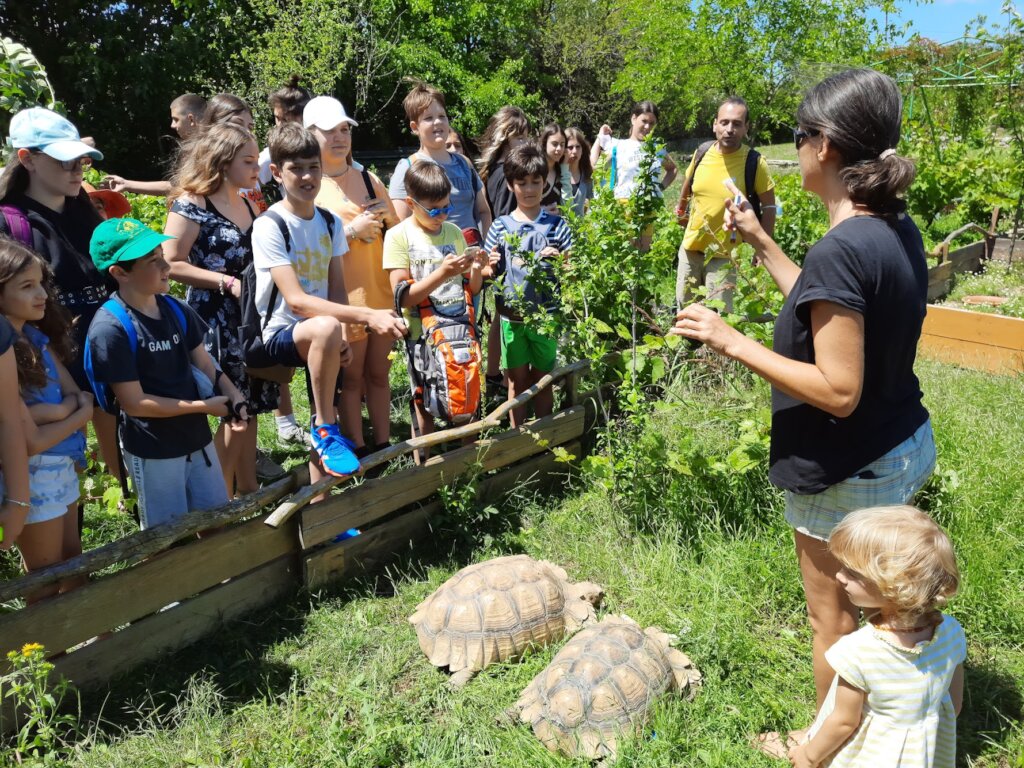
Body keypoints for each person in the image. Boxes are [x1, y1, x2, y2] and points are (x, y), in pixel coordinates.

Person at [672, 68, 937, 726]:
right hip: (898, 444)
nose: (794, 149)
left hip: (847, 470)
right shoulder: (891, 229)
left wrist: (731, 341)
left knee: (834, 622)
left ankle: (831, 745)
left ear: (829, 149)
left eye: (800, 136)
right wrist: (763, 245)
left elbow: (838, 389)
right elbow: (833, 309)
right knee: (895, 610)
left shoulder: (842, 249)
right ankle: (913, 712)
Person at [251, 123, 406, 481]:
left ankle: (321, 511)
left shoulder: (329, 222)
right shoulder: (270, 224)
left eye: (313, 167)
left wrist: (345, 335)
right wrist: (364, 316)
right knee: (321, 331)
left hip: (323, 332)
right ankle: (325, 427)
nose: (307, 176)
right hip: (283, 332)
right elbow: (298, 301)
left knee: (327, 439)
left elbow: (336, 288)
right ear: (275, 173)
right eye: (296, 169)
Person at [86, 217, 249, 529]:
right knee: (164, 538)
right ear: (120, 273)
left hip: (197, 440)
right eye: (153, 261)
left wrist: (233, 395)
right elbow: (134, 404)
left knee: (215, 522)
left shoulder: (174, 307)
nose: (166, 266)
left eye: (162, 255)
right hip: (154, 451)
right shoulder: (110, 329)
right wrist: (205, 407)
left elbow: (204, 363)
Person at [786, 505, 965, 768]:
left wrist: (808, 756)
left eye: (852, 573)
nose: (839, 576)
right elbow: (953, 704)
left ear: (894, 586)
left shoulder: (859, 650)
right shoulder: (951, 632)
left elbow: (844, 721)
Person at [0, 108, 121, 485]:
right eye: (63, 160)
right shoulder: (9, 222)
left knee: (122, 461)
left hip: (103, 351)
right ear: (27, 159)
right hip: (48, 362)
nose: (76, 169)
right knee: (63, 470)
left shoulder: (85, 211)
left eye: (80, 160)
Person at [163, 123, 279, 496]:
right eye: (248, 160)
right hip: (214, 319)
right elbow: (170, 262)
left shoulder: (248, 201)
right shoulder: (192, 203)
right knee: (232, 409)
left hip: (250, 317)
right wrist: (223, 282)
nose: (255, 168)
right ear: (222, 161)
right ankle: (214, 502)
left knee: (252, 407)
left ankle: (247, 492)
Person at [305, 96, 400, 457]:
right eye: (330, 131)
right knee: (352, 378)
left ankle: (384, 444)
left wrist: (384, 220)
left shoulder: (367, 177)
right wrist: (350, 230)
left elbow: (398, 229)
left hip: (380, 293)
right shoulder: (309, 183)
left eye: (344, 129)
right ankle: (358, 448)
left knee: (379, 374)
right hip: (344, 300)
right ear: (311, 135)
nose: (339, 137)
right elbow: (306, 244)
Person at [0, 238, 92, 601]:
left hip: (61, 466)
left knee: (72, 561)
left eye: (41, 283)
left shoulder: (36, 338)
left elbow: (80, 396)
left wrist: (53, 414)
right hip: (32, 476)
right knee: (45, 580)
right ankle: (52, 655)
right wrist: (73, 411)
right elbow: (30, 440)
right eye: (26, 286)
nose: (41, 294)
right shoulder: (7, 350)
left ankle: (94, 642)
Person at [384, 161, 487, 452]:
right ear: (410, 203)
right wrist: (442, 272)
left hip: (459, 326)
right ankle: (425, 463)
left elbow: (472, 288)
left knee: (465, 389)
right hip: (421, 333)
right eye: (434, 210)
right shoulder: (398, 236)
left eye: (446, 206)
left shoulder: (453, 232)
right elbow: (402, 297)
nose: (441, 215)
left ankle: (469, 460)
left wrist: (477, 269)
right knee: (424, 397)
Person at [484, 144, 572, 427]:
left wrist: (560, 262)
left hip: (546, 318)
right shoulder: (500, 226)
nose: (530, 189)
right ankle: (517, 438)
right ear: (511, 185)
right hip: (512, 320)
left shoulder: (558, 226)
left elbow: (573, 269)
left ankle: (544, 438)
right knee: (516, 381)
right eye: (522, 183)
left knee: (543, 380)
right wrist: (490, 263)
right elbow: (487, 271)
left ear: (545, 183)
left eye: (536, 181)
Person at [674, 97, 777, 312]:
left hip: (725, 252)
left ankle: (715, 347)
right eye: (725, 122)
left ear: (746, 128)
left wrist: (763, 247)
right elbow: (688, 184)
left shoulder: (754, 162)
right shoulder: (702, 152)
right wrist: (681, 210)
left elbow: (768, 207)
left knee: (719, 311)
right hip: (692, 245)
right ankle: (688, 345)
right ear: (715, 125)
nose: (730, 129)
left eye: (737, 124)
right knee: (686, 306)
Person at [476, 106, 532, 395]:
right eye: (518, 137)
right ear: (505, 136)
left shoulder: (499, 167)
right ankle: (500, 376)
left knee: (502, 316)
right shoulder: (501, 172)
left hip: (505, 252)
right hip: (507, 254)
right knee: (505, 317)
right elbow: (500, 214)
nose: (524, 143)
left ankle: (496, 375)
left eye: (525, 137)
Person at [388, 83, 492, 235]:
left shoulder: (464, 163)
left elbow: (484, 211)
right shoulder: (408, 167)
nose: (437, 122)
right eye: (429, 118)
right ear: (415, 127)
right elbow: (399, 224)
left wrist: (486, 248)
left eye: (442, 116)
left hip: (472, 253)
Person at [591, 101, 677, 250]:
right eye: (644, 121)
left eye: (652, 123)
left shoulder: (656, 148)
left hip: (648, 207)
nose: (647, 127)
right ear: (633, 119)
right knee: (625, 254)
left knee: (642, 255)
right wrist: (599, 139)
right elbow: (595, 167)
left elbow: (673, 169)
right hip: (623, 205)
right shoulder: (618, 145)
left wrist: (659, 188)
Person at [100, 94, 207, 197]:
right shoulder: (205, 146)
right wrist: (126, 184)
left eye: (176, 119)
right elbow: (176, 187)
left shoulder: (208, 151)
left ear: (191, 119)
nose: (172, 125)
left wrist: (127, 185)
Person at [257, 76, 312, 198]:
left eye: (286, 120)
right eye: (277, 118)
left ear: (304, 117)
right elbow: (247, 183)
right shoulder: (271, 156)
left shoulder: (324, 144)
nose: (280, 126)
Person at [539, 123, 572, 214]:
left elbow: (568, 205)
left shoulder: (561, 171)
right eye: (554, 144)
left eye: (562, 145)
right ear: (545, 143)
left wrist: (565, 165)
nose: (559, 149)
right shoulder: (535, 169)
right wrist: (542, 212)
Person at [563, 127, 593, 218]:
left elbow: (592, 203)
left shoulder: (587, 174)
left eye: (578, 147)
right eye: (570, 147)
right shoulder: (556, 174)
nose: (575, 151)